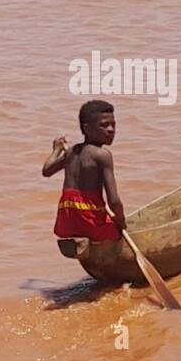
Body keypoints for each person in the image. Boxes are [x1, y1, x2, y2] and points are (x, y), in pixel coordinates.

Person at [42, 100, 125, 259]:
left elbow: (47, 171)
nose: (111, 130)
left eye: (113, 125)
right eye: (104, 125)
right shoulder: (102, 155)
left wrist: (56, 150)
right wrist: (121, 223)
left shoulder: (72, 151)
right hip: (87, 219)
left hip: (66, 220)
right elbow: (114, 201)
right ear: (86, 128)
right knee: (117, 231)